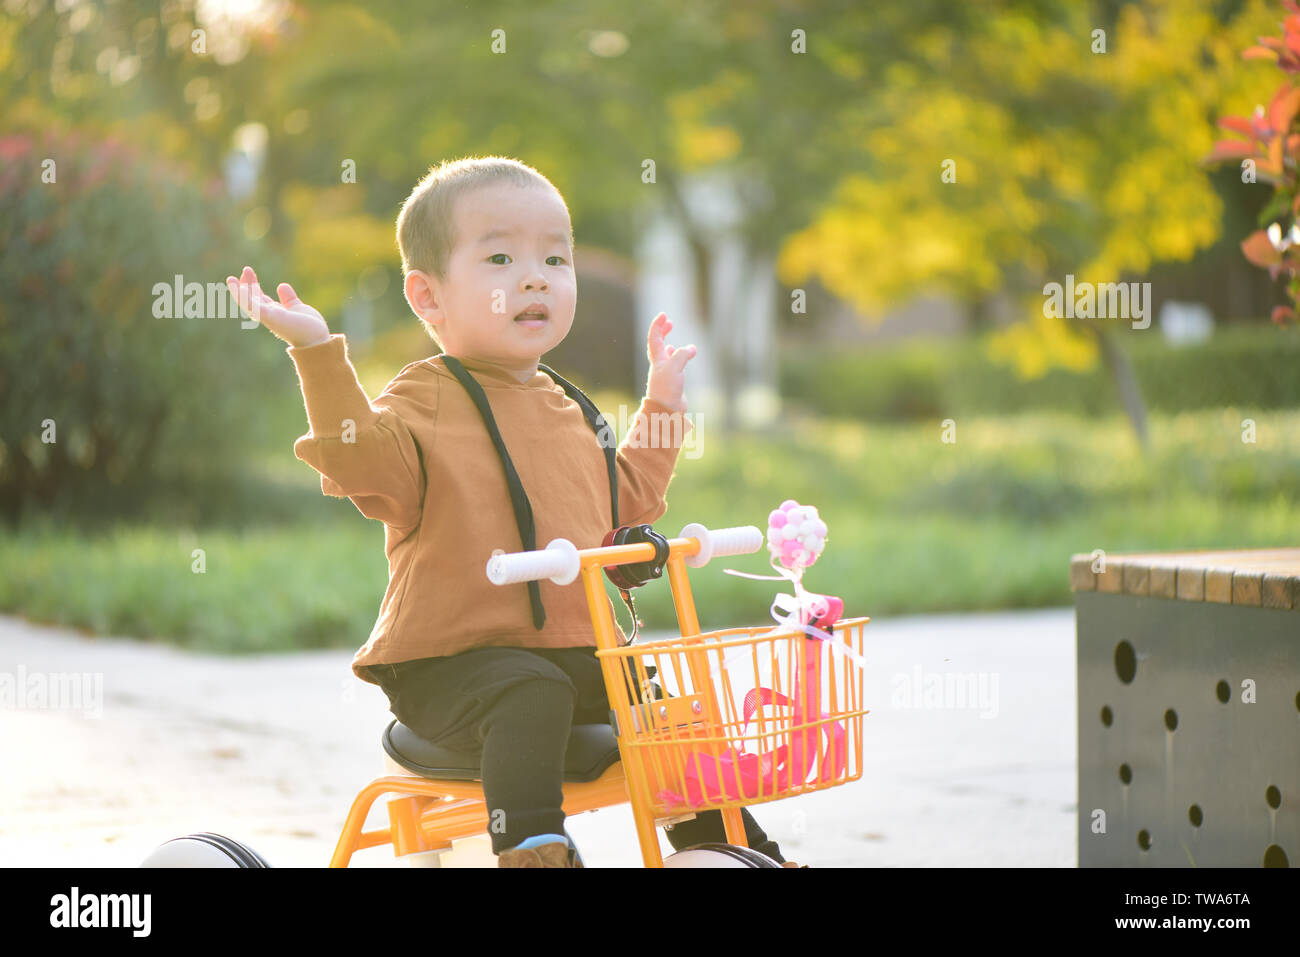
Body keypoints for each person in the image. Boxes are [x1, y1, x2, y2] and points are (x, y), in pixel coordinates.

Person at [226, 155, 796, 868]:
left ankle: (740, 849)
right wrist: (316, 351)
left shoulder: (568, 404)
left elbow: (627, 502)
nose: (535, 276)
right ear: (428, 297)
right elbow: (358, 459)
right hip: (448, 667)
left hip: (567, 655)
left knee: (659, 706)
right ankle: (531, 851)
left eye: (555, 258)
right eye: (500, 257)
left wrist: (661, 407)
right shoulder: (425, 397)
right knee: (530, 690)